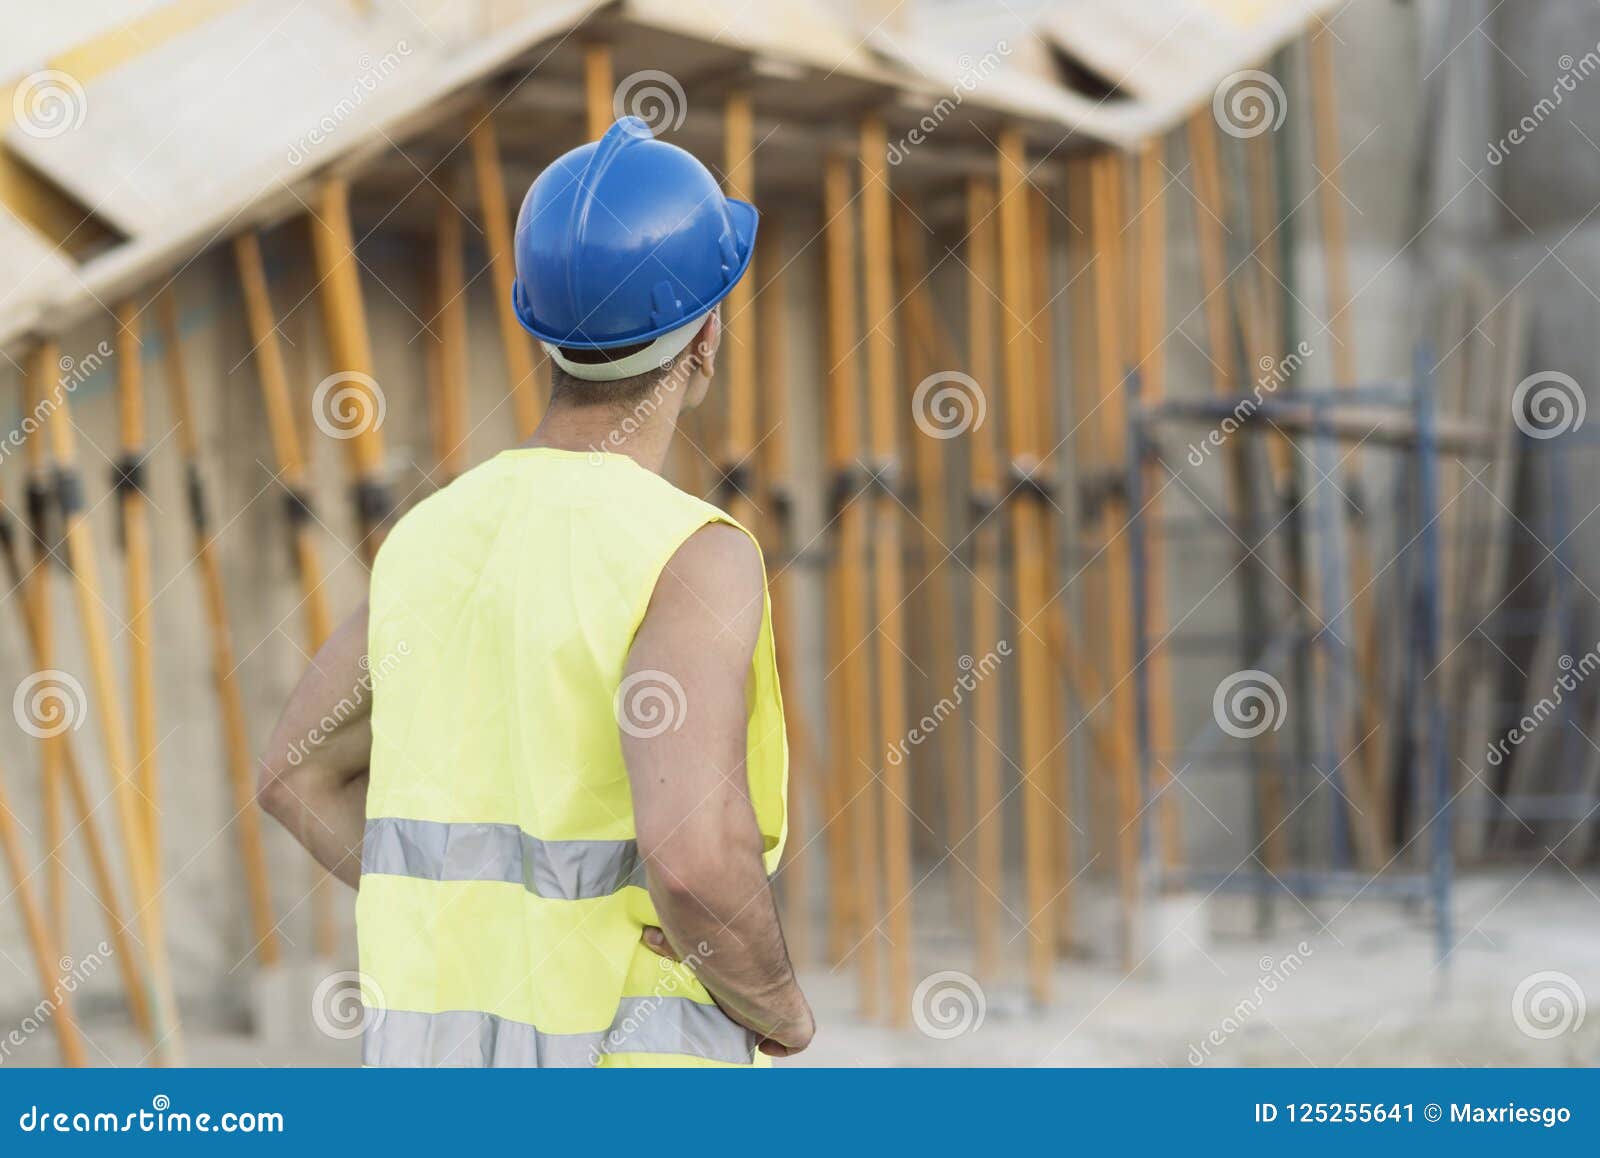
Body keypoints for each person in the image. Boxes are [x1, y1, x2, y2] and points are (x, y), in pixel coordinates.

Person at [258, 116, 813, 1067]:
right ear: (708, 338)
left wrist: (470, 922)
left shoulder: (430, 536)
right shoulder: (690, 554)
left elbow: (294, 776)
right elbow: (692, 858)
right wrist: (780, 1009)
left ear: (539, 325)